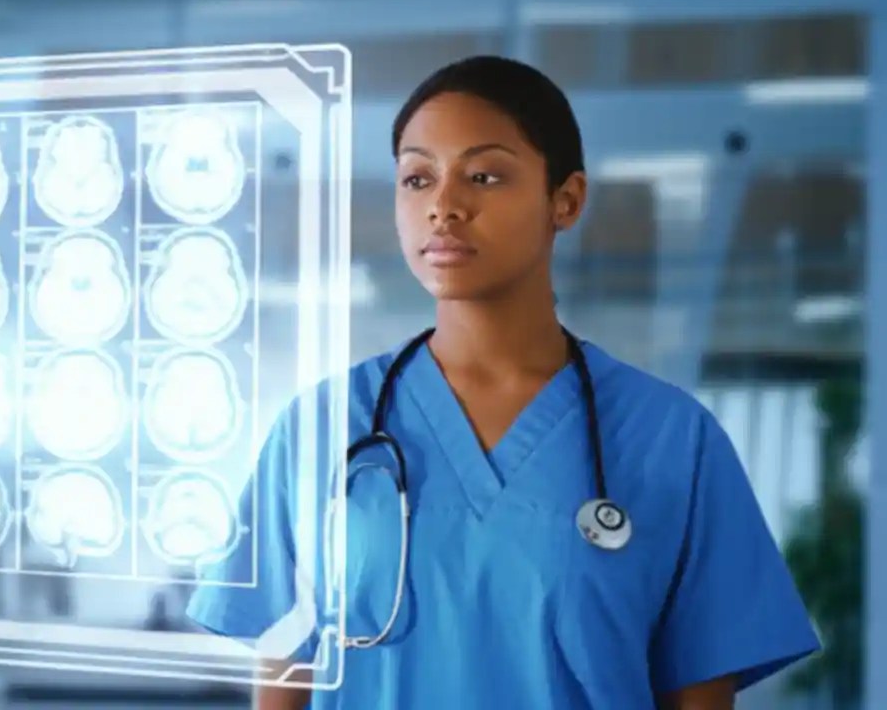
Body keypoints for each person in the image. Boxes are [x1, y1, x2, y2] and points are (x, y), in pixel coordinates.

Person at [185, 55, 821, 709]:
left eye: (484, 175)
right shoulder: (320, 428)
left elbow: (699, 697)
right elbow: (282, 684)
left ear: (566, 200)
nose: (444, 206)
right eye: (417, 178)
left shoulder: (673, 440)